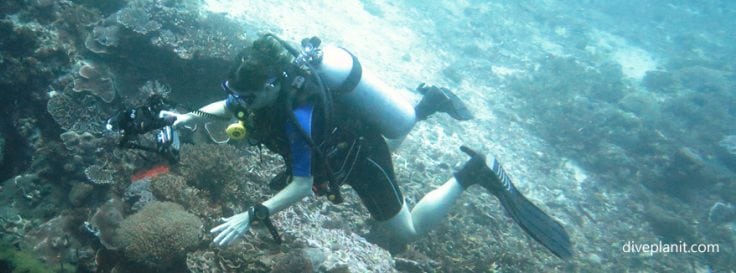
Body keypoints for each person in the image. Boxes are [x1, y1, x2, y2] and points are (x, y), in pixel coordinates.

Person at [165, 34, 573, 259]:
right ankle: (427, 104)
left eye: (247, 97)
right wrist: (188, 117)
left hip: (362, 159)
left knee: (406, 231)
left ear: (272, 86)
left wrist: (251, 215)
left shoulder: (299, 117)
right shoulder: (265, 93)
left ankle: (473, 172)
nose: (239, 103)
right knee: (395, 136)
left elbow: (301, 185)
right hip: (351, 136)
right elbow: (230, 104)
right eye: (235, 93)